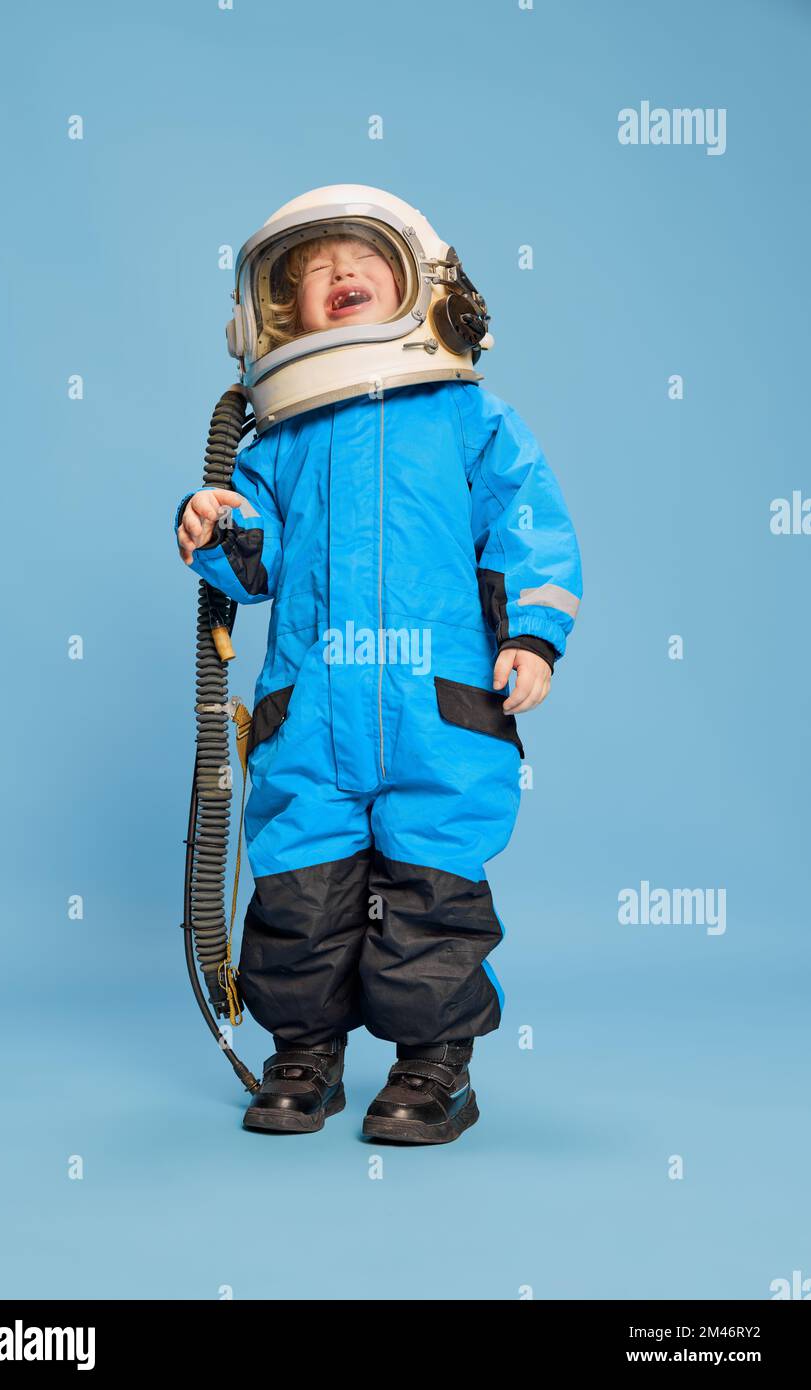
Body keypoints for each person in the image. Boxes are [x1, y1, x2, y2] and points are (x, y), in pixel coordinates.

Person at [174, 185, 582, 1144]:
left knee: (431, 890)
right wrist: (214, 524)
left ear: (422, 285)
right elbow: (256, 559)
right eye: (312, 272)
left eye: (361, 261)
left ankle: (432, 1067)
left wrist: (531, 637)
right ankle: (303, 1056)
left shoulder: (469, 419)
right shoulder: (278, 442)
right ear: (277, 315)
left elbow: (530, 530)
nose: (337, 276)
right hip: (309, 715)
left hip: (439, 710)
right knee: (297, 895)